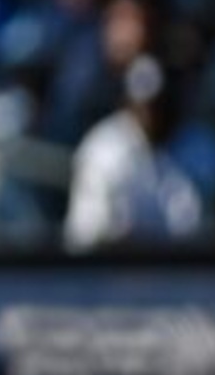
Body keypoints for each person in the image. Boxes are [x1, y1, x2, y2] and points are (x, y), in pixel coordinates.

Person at [65, 57, 205, 251]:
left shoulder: (195, 146)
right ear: (128, 103)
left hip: (180, 274)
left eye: (159, 105)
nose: (151, 115)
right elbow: (89, 235)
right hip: (110, 273)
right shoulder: (103, 151)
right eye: (144, 106)